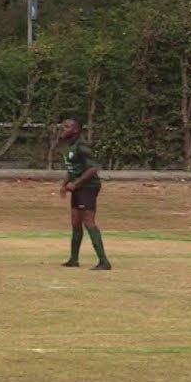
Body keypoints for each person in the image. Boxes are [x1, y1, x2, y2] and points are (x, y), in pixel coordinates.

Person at [58, 116, 111, 270]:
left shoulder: (82, 145)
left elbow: (93, 168)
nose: (63, 129)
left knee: (88, 221)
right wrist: (64, 184)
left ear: (76, 129)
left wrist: (76, 183)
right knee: (75, 221)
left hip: (88, 187)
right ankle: (74, 259)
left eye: (67, 127)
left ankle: (104, 261)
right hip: (78, 187)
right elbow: (72, 168)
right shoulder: (69, 145)